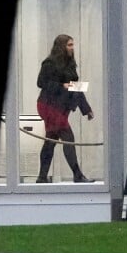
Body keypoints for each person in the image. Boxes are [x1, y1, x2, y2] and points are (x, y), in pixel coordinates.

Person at [35, 34, 95, 184]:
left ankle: (42, 177)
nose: (72, 48)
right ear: (61, 47)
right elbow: (41, 82)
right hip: (49, 106)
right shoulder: (49, 63)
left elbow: (75, 87)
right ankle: (77, 175)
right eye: (69, 45)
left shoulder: (70, 63)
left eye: (72, 45)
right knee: (68, 138)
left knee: (51, 140)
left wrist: (86, 109)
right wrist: (62, 85)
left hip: (60, 107)